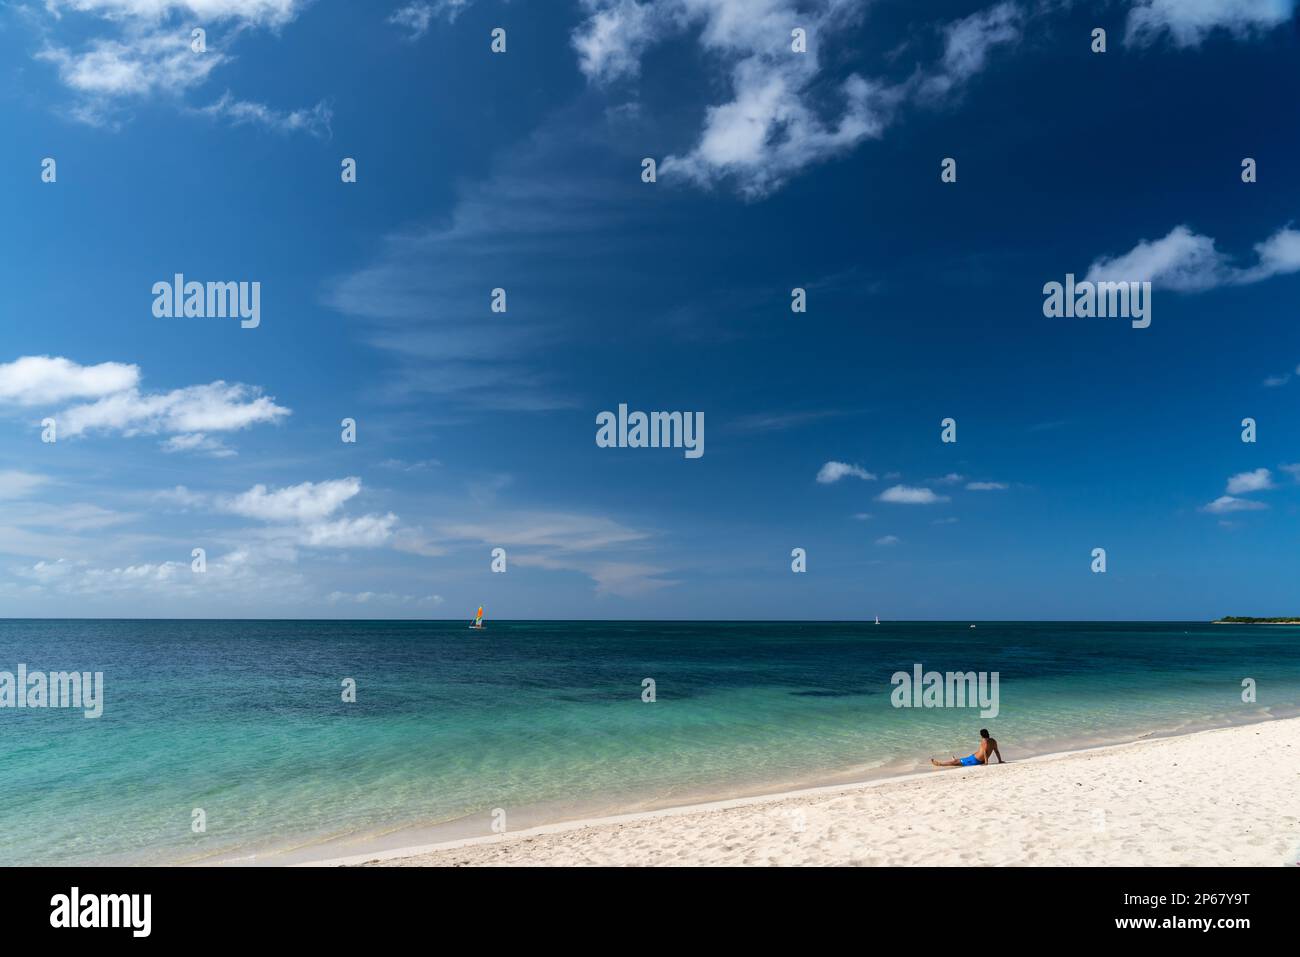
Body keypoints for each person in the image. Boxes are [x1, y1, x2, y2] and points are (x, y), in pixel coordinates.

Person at [930, 728, 1003, 768]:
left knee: (956, 763)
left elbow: (984, 752)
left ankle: (940, 764)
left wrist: (986, 762)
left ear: (981, 735)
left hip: (975, 760)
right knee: (961, 760)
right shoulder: (993, 741)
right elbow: (996, 751)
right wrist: (1000, 760)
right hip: (976, 758)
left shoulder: (984, 741)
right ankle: (956, 760)